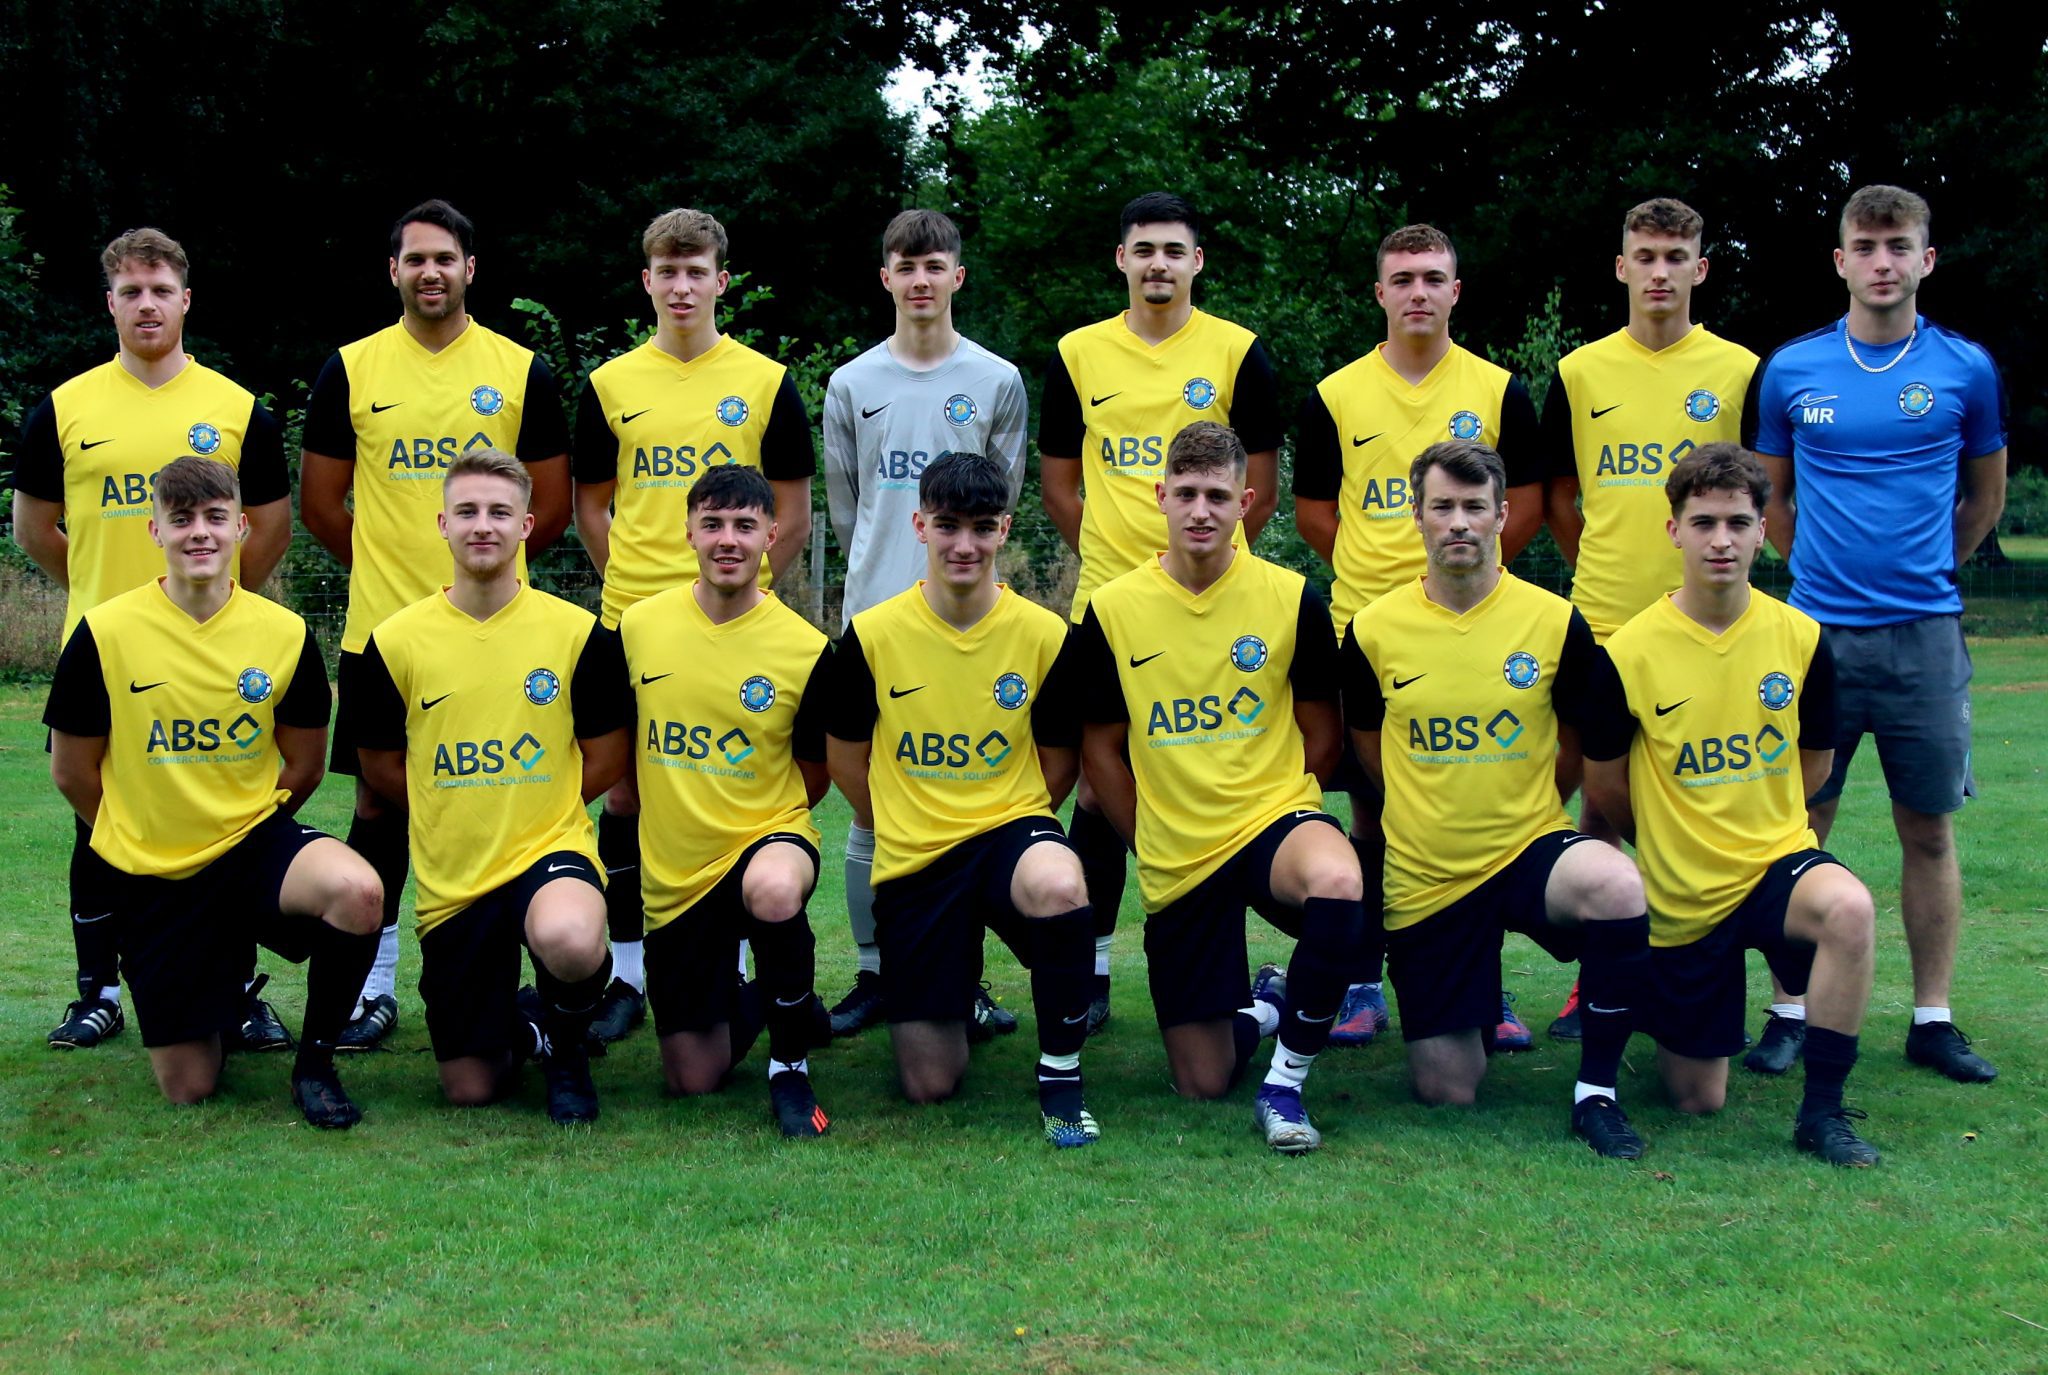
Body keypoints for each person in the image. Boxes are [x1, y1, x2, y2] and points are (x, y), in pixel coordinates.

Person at [1747, 185, 2005, 1084]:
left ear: (1926, 260)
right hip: (1813, 637)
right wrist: (1818, 577)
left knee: (1927, 828)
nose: (1883, 260)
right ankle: (1790, 1009)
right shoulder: (1793, 369)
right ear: (1842, 260)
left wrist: (1925, 573)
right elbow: (1769, 501)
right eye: (1867, 245)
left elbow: (1986, 499)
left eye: (1900, 245)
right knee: (1797, 825)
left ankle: (1931, 1017)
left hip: (1925, 636)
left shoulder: (1966, 368)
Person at [301, 199, 572, 1053]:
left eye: (445, 259)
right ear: (393, 271)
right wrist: (404, 585)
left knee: (512, 797)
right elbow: (319, 503)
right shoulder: (350, 368)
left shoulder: (520, 369)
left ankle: (543, 983)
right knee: (381, 803)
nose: (430, 272)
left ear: (470, 269)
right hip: (385, 635)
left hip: (504, 636)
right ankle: (370, 989)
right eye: (415, 259)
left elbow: (552, 504)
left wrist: (483, 578)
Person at [16, 227, 294, 1052]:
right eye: (130, 291)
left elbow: (269, 526)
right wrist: (111, 602)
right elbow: (35, 529)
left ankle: (235, 990)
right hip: (105, 651)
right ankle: (97, 990)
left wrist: (220, 602)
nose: (146, 303)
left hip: (215, 652)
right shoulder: (63, 409)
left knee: (224, 817)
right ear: (109, 303)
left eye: (160, 289)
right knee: (94, 819)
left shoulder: (238, 409)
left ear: (186, 300)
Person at [43, 456, 382, 1126]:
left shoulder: (283, 634)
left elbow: (305, 764)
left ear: (241, 527)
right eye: (183, 519)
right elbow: (72, 771)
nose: (199, 532)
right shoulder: (105, 632)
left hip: (250, 843)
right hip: (155, 868)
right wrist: (139, 835)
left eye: (214, 518)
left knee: (359, 890)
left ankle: (314, 1063)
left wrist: (243, 832)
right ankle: (222, 984)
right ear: (156, 530)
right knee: (188, 1085)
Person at [1340, 440, 1653, 1157]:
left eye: (1474, 507)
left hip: (1526, 849)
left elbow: (1576, 740)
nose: (1459, 522)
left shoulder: (1552, 621)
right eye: (1443, 506)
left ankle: (1596, 1090)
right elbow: (1367, 745)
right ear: (1415, 515)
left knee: (1614, 883)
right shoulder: (1373, 629)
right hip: (1428, 878)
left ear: (1503, 515)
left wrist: (1542, 805)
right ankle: (1472, 1000)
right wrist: (1426, 806)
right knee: (1447, 1088)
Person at [1582, 445, 1881, 1165]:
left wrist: (1775, 828)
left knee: (1850, 907)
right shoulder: (1628, 651)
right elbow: (1604, 782)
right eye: (1704, 521)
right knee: (1695, 1097)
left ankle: (1823, 1111)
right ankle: (1667, 1013)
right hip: (1686, 895)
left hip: (1777, 864)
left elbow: (1815, 762)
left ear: (1762, 529)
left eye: (1739, 522)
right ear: (1674, 531)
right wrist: (1664, 841)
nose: (1722, 539)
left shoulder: (1801, 637)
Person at [1074, 421, 1365, 1154]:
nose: (1199, 510)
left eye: (1215, 495)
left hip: (1271, 822)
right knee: (1201, 1079)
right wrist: (1150, 834)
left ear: (1245, 501)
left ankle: (1286, 1080)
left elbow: (1320, 730)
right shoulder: (1111, 610)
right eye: (1185, 494)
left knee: (1337, 878)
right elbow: (1101, 748)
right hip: (1181, 849)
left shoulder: (1292, 597)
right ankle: (1266, 1009)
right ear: (1159, 496)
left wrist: (1287, 800)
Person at [1039, 191, 1284, 1035]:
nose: (1157, 265)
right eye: (1143, 249)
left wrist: (1201, 565)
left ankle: (1236, 951)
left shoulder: (1238, 353)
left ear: (1196, 262)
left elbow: (1263, 486)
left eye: (1173, 251)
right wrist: (1127, 562)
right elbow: (1060, 485)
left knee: (1215, 771)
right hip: (1108, 604)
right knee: (1101, 793)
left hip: (1217, 611)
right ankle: (1095, 963)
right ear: (1121, 259)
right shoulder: (1077, 354)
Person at [1294, 223, 1543, 1051]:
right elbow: (1315, 512)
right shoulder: (1335, 394)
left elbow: (1529, 503)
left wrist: (1468, 583)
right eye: (1402, 279)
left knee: (1478, 811)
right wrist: (1389, 587)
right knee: (1373, 809)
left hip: (1477, 628)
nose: (1418, 293)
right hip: (1370, 633)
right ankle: (1365, 980)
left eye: (1434, 277)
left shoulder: (1500, 389)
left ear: (1456, 291)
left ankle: (1488, 986)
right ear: (1380, 293)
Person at [573, 207, 815, 1048]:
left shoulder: (764, 379)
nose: (682, 285)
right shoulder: (609, 384)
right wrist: (633, 588)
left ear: (721, 279)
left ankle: (749, 956)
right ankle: (631, 974)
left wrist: (748, 589)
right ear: (648, 281)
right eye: (666, 271)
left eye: (697, 270)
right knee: (629, 794)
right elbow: (591, 503)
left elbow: (791, 506)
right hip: (635, 625)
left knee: (740, 786)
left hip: (743, 627)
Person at [824, 453, 1100, 1148]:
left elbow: (1059, 762)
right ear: (919, 524)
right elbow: (845, 758)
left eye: (982, 527)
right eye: (947, 525)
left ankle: (1061, 1076)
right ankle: (958, 993)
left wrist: (1024, 819)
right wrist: (902, 819)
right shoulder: (871, 635)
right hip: (917, 861)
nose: (964, 545)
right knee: (929, 1084)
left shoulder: (1045, 636)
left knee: (1060, 880)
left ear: (1005, 529)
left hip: (1008, 835)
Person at [353, 449, 631, 1124]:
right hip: (457, 877)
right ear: (442, 524)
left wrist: (545, 800)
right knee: (472, 1086)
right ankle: (531, 1026)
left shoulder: (576, 634)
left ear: (527, 525)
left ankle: (567, 1046)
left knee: (568, 935)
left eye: (500, 512)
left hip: (548, 850)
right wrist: (456, 805)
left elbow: (607, 754)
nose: (484, 525)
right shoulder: (392, 642)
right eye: (469, 512)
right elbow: (380, 765)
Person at [1539, 197, 1759, 1041]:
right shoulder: (1580, 371)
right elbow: (1562, 497)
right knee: (1599, 799)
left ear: (1699, 269)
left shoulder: (1739, 369)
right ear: (1621, 267)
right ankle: (1596, 980)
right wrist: (1602, 561)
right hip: (1604, 618)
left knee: (1711, 793)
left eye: (1676, 256)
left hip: (1709, 628)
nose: (1660, 272)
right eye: (1645, 255)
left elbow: (1759, 492)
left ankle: (1709, 971)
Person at [819, 208, 1030, 1039]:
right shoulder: (850, 384)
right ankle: (875, 974)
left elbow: (995, 497)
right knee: (873, 806)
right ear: (885, 278)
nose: (919, 280)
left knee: (963, 805)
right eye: (905, 266)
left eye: (934, 266)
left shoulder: (997, 379)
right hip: (879, 620)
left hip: (973, 629)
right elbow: (849, 509)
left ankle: (963, 980)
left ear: (956, 278)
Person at [620, 466, 835, 1137]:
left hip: (767, 840)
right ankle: (783, 1001)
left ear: (772, 534)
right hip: (679, 875)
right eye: (712, 523)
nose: (728, 539)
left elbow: (815, 773)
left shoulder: (804, 648)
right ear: (687, 532)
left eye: (745, 525)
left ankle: (791, 1067)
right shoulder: (638, 627)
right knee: (692, 1076)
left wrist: (770, 828)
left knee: (773, 889)